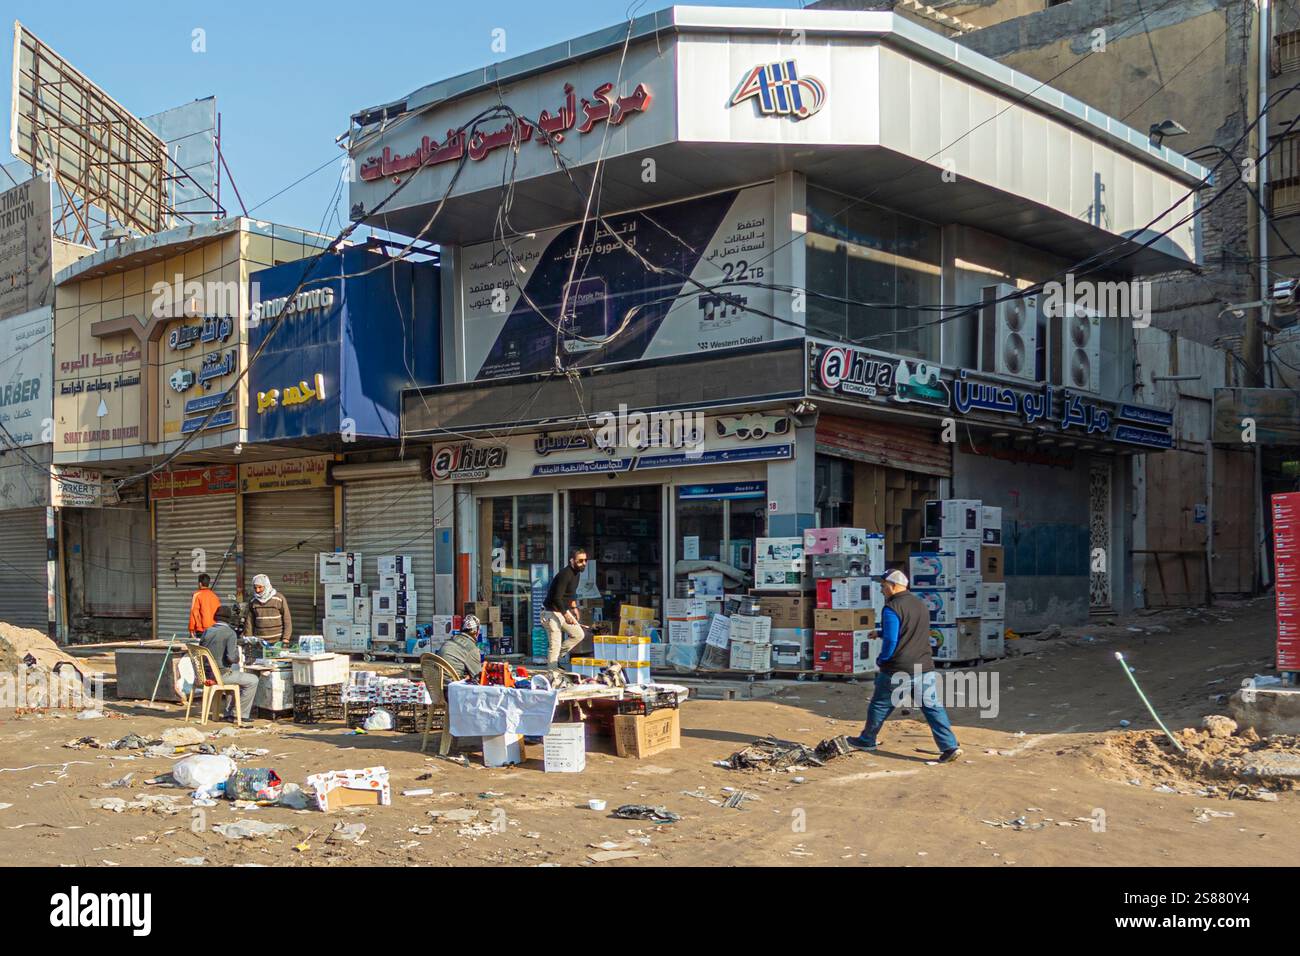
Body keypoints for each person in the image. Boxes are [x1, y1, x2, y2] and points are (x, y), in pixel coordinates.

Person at [847, 569, 962, 762]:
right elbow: (909, 630)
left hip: (898, 668)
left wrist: (882, 660)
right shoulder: (920, 604)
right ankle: (949, 746)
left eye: (883, 586)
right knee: (932, 707)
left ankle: (867, 739)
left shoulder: (891, 607)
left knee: (880, 704)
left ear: (893, 585)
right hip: (923, 666)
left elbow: (893, 640)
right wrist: (880, 632)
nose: (882, 590)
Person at [199, 606, 258, 722]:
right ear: (229, 619)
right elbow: (231, 658)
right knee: (253, 680)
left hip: (206, 675)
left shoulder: (207, 631)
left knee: (234, 679)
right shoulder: (230, 633)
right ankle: (240, 714)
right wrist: (237, 657)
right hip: (220, 676)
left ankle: (229, 714)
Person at [541, 547, 589, 667]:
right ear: (572, 561)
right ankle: (553, 672)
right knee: (555, 644)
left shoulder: (576, 574)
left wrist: (574, 608)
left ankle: (555, 660)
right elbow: (557, 598)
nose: (584, 563)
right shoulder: (565, 574)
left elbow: (571, 593)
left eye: (585, 560)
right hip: (551, 613)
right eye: (580, 561)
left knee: (579, 634)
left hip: (562, 611)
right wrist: (566, 614)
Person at [245, 573, 293, 646]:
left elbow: (287, 619)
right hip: (260, 642)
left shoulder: (279, 598)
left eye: (260, 587)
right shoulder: (253, 601)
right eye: (255, 587)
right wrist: (249, 639)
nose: (257, 590)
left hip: (278, 642)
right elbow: (249, 622)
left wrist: (286, 638)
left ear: (266, 586)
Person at [434, 614, 483, 681]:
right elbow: (478, 677)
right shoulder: (472, 648)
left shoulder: (450, 641)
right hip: (453, 686)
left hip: (436, 682)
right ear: (476, 632)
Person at [188, 573, 220, 638]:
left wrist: (191, 630)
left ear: (200, 583)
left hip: (202, 631)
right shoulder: (215, 596)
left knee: (201, 648)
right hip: (214, 630)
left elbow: (194, 612)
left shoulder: (197, 595)